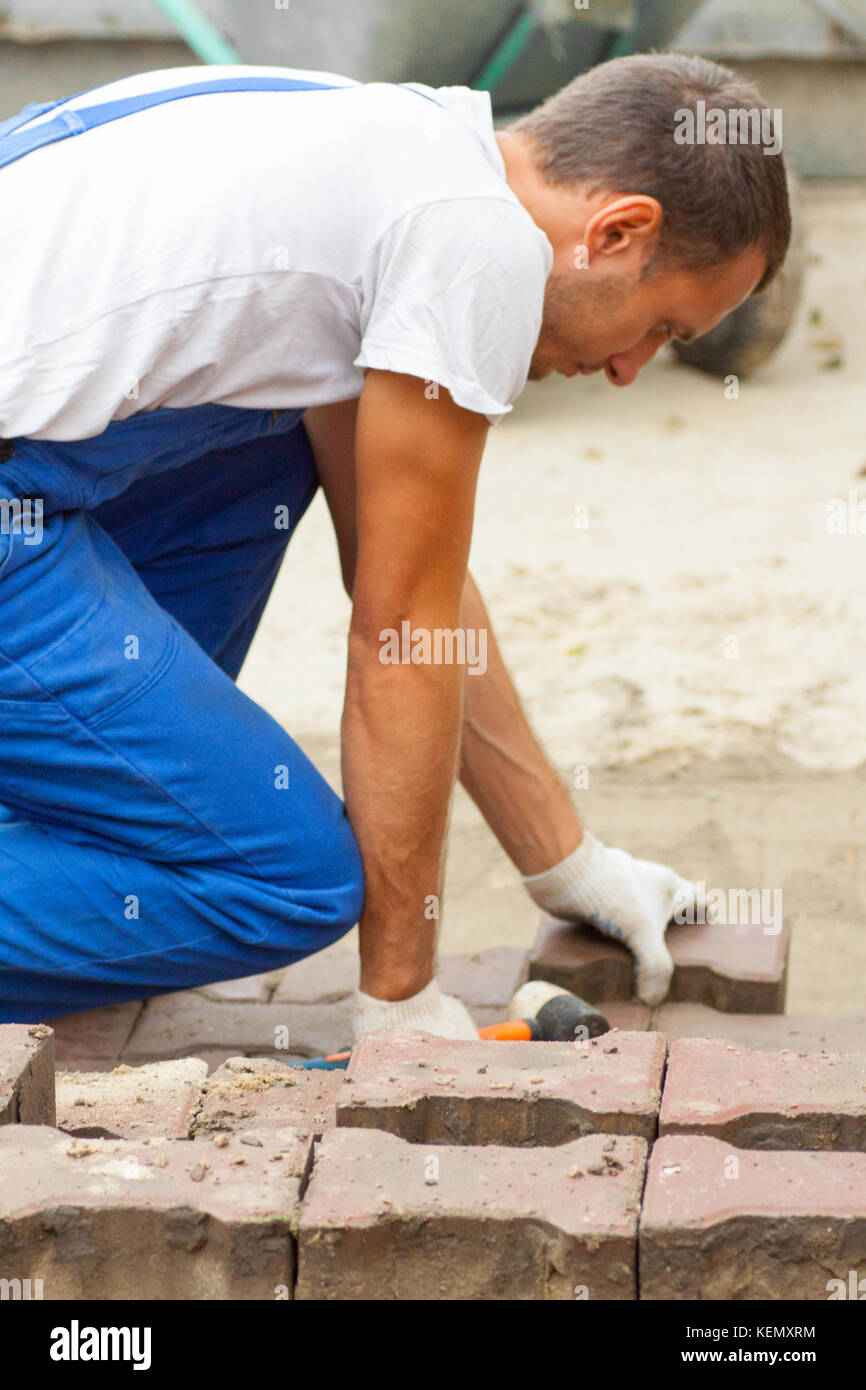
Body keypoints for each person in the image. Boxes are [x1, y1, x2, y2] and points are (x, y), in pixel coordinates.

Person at [0, 52, 789, 1032]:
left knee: (275, 457)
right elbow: (400, 637)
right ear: (617, 230)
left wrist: (563, 859)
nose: (629, 371)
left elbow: (412, 573)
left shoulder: (401, 145)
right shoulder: (476, 248)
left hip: (30, 467)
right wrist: (400, 994)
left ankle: (81, 847)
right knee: (280, 880)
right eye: (660, 326)